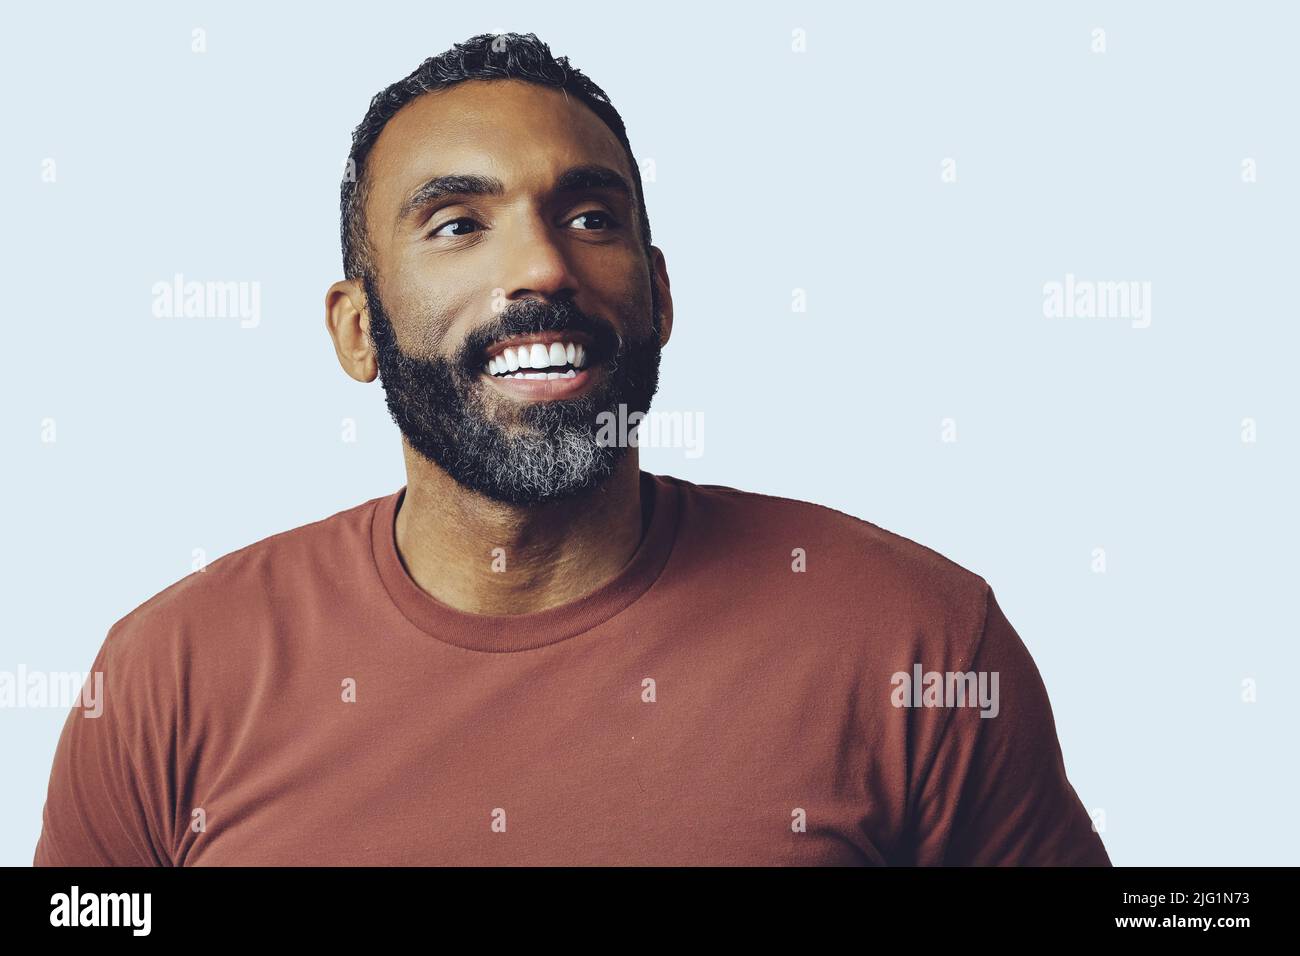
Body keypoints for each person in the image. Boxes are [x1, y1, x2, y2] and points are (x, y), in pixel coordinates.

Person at [33, 32, 1110, 866]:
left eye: (591, 217)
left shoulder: (917, 640)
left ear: (662, 291)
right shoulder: (164, 678)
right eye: (457, 223)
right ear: (357, 329)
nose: (543, 266)